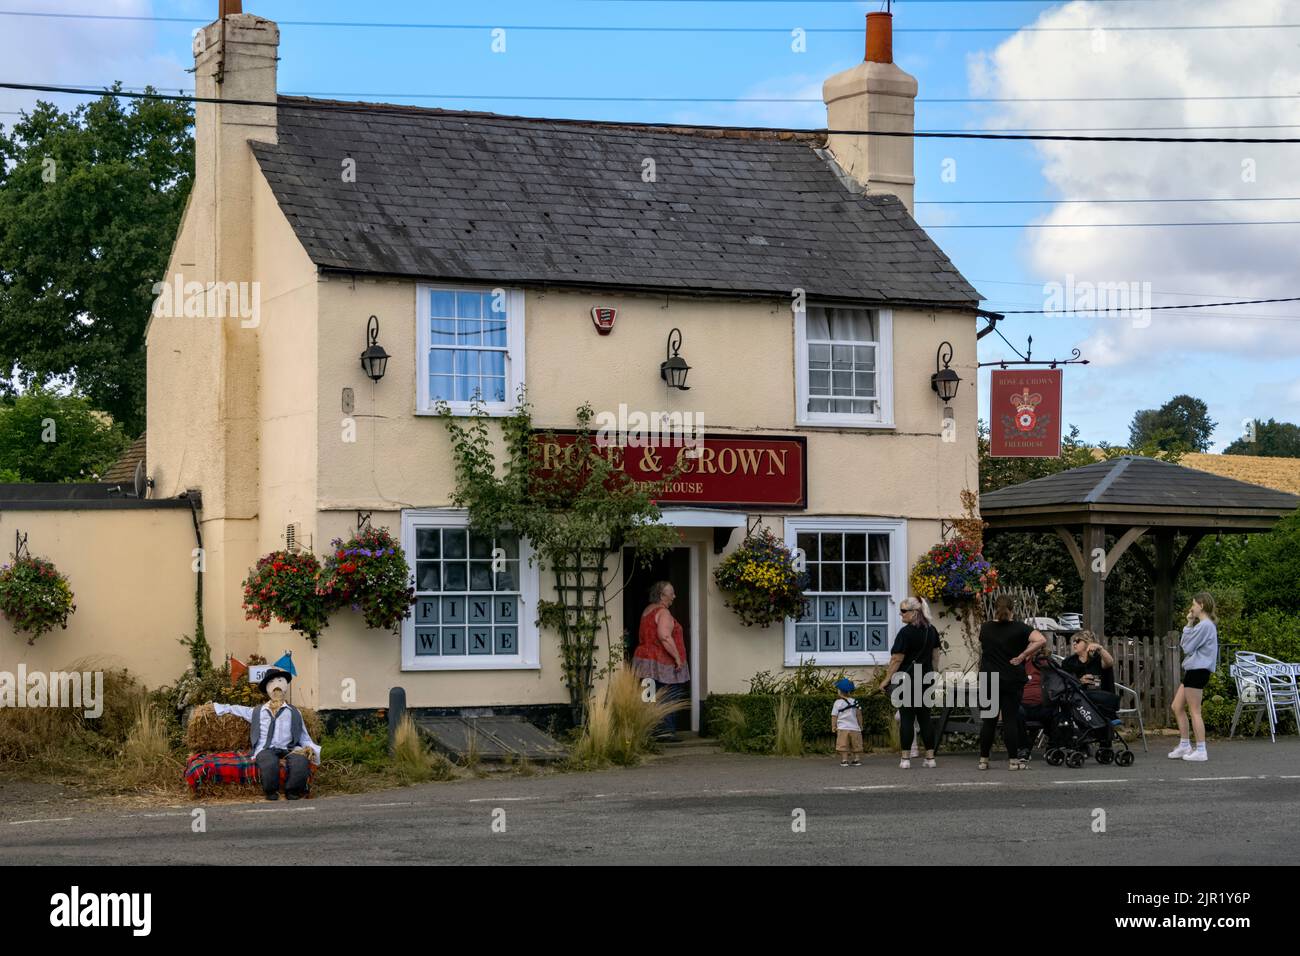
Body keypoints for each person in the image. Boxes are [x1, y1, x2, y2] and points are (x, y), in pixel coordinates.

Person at [214, 662, 320, 801]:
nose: (276, 685)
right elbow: (238, 709)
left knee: (300, 761)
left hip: (290, 748)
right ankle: (271, 791)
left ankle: (293, 791)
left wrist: (312, 750)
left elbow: (303, 735)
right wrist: (219, 707)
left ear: (285, 686)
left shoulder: (294, 712)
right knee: (268, 762)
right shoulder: (258, 711)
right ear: (267, 689)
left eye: (280, 681)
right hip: (266, 748)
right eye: (272, 682)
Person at [978, 595, 1047, 771]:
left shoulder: (985, 628)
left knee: (989, 721)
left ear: (994, 608)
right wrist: (1023, 655)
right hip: (1012, 679)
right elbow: (1041, 640)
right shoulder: (1020, 628)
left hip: (989, 678)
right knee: (1010, 720)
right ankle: (1013, 760)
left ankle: (983, 760)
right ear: (1012, 611)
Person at [876, 596, 940, 768]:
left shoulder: (905, 633)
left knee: (906, 718)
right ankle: (930, 758)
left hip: (907, 678)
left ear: (915, 612)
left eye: (904, 611)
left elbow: (897, 659)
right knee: (925, 718)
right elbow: (935, 657)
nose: (901, 614)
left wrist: (886, 680)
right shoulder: (932, 630)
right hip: (926, 677)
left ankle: (905, 759)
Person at [632, 580, 689, 742]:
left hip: (644, 661)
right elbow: (664, 636)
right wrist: (677, 658)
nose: (674, 596)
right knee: (670, 696)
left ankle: (649, 730)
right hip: (662, 663)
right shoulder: (663, 613)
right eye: (671, 593)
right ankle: (666, 732)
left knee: (648, 697)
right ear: (662, 595)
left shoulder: (647, 610)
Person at [1170, 592, 1219, 762]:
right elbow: (1188, 645)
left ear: (1202, 605)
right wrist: (1190, 623)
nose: (1191, 608)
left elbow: (1187, 646)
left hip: (1198, 671)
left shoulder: (1205, 625)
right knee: (1177, 706)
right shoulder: (1203, 625)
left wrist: (1188, 625)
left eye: (1194, 604)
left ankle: (1201, 749)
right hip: (1193, 670)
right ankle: (1185, 745)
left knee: (1195, 711)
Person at [1015, 646, 1053, 760]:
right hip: (1022, 705)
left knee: (1055, 712)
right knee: (1016, 712)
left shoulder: (1043, 662)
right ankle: (1023, 748)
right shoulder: (1017, 662)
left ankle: (1052, 748)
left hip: (1041, 706)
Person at [831, 678, 864, 767]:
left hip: (842, 728)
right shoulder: (855, 701)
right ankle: (856, 759)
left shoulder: (837, 703)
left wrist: (833, 726)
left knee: (843, 744)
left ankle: (844, 760)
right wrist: (860, 725)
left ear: (840, 691)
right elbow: (859, 715)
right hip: (855, 728)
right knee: (856, 744)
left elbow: (834, 716)